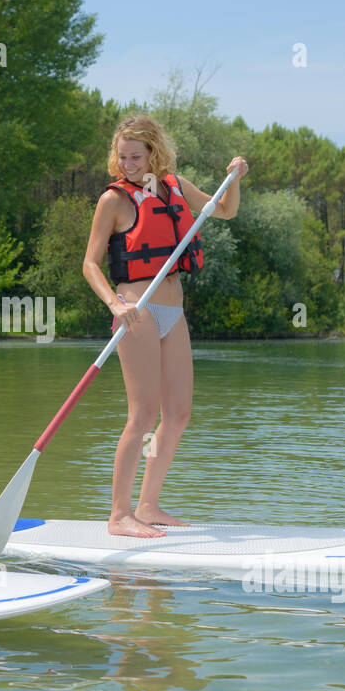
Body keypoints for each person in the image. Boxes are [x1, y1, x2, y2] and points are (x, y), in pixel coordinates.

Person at [82, 115, 248, 538]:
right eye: (122, 157)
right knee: (142, 415)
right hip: (137, 311)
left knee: (177, 413)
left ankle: (149, 505)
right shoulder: (113, 201)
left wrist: (235, 177)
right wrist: (114, 303)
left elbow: (225, 210)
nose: (129, 164)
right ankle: (119, 515)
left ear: (154, 152)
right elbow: (90, 264)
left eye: (136, 156)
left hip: (174, 312)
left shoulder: (174, 185)